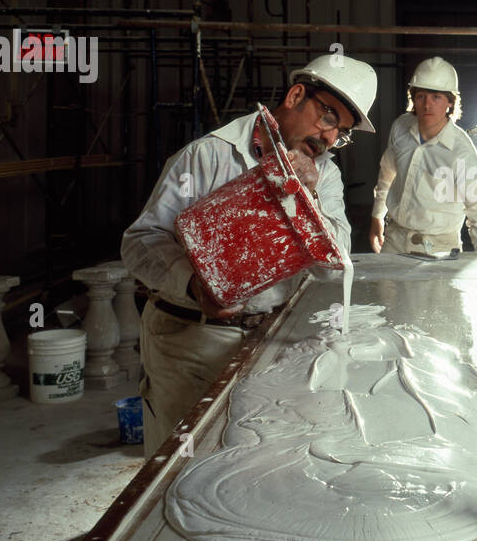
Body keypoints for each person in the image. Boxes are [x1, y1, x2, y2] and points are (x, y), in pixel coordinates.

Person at [121, 54, 377, 458]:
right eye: (328, 119)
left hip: (267, 337)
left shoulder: (324, 173)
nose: (329, 139)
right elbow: (140, 242)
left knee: (249, 461)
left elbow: (336, 267)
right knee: (181, 466)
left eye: (342, 133)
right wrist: (193, 285)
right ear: (295, 95)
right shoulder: (208, 156)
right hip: (188, 338)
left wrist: (308, 197)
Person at [369, 57, 477, 258]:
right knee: (384, 290)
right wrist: (377, 215)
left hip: (439, 247)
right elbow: (387, 173)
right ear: (413, 99)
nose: (427, 105)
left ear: (450, 102)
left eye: (436, 97)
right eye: (421, 96)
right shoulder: (400, 127)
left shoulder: (461, 150)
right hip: (395, 239)